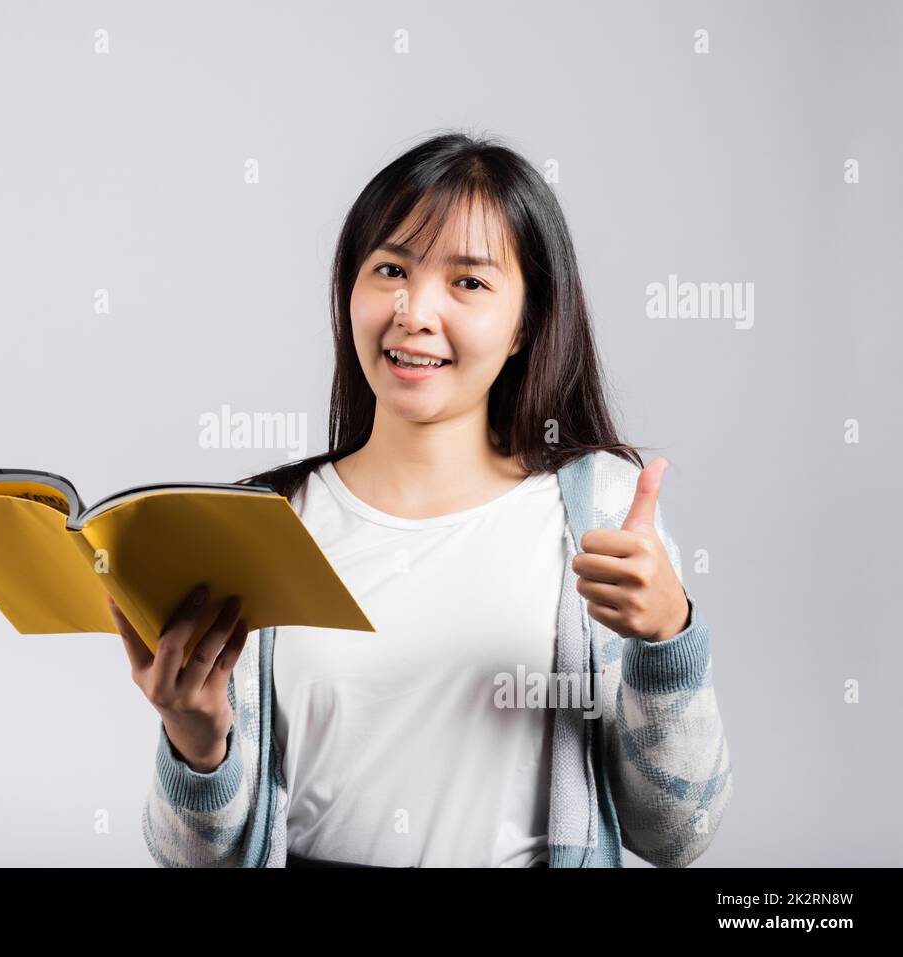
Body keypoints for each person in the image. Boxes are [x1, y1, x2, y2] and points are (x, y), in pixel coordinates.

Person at [113, 130, 733, 867]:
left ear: (525, 323)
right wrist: (195, 739)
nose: (414, 310)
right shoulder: (263, 521)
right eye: (390, 269)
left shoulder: (598, 508)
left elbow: (676, 834)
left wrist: (667, 637)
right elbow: (190, 860)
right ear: (349, 289)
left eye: (468, 281)